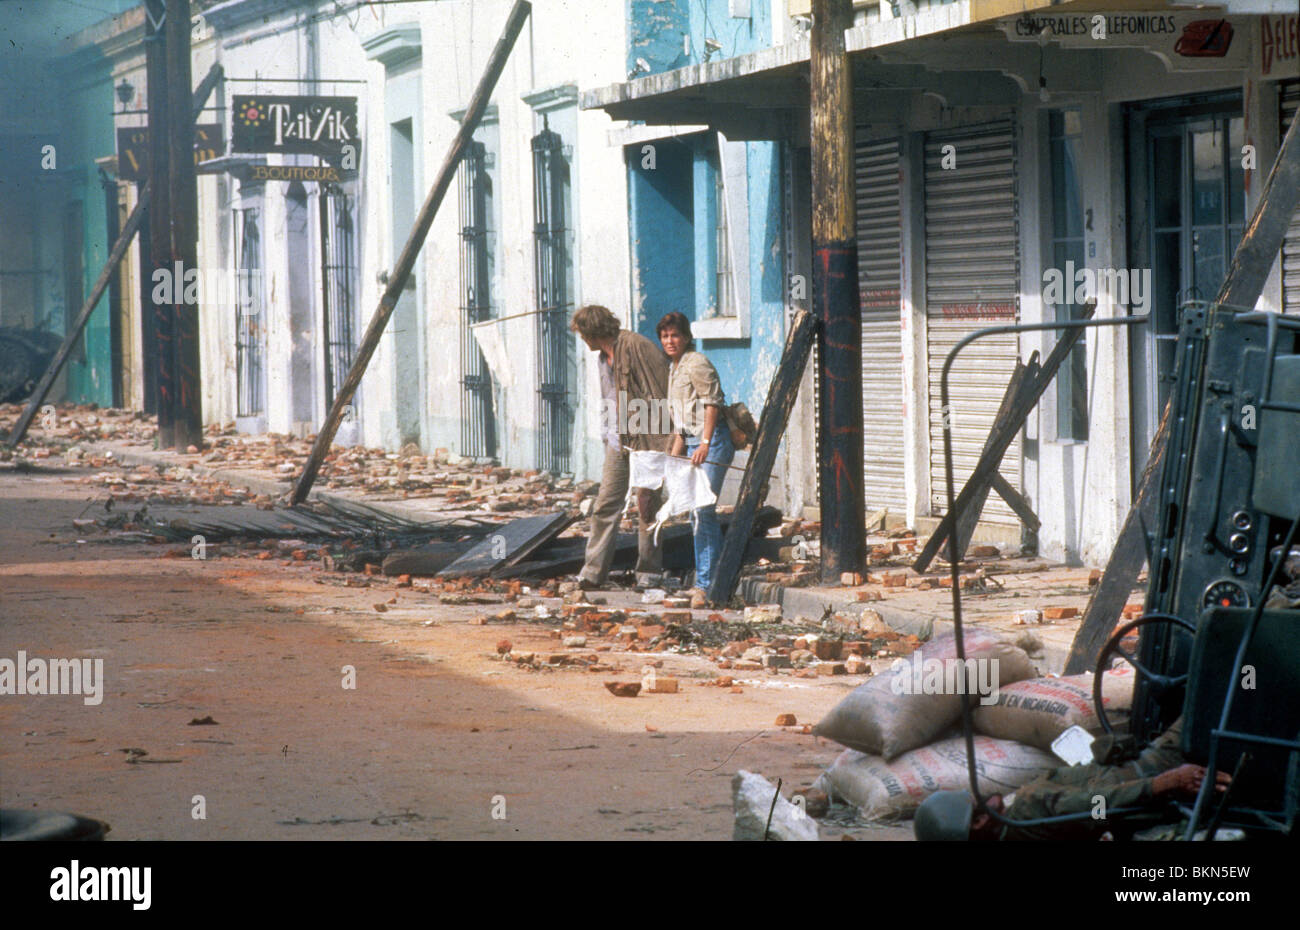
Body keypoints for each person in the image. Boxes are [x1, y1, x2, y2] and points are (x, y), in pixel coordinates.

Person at [913, 717, 1233, 841]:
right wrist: (1166, 782)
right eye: (974, 802)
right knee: (1222, 660)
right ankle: (1280, 600)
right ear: (980, 821)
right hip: (1154, 768)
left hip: (1140, 776)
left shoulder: (1016, 826)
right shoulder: (1028, 809)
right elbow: (1095, 807)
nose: (981, 796)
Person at [570, 304, 674, 591]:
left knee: (647, 504)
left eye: (583, 334)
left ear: (593, 331)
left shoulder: (637, 346)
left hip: (648, 438)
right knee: (606, 504)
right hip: (619, 441)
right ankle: (593, 572)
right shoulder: (603, 358)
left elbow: (664, 389)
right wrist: (608, 438)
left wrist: (668, 439)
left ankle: (649, 572)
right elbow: (608, 400)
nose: (583, 340)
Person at [656, 312, 735, 608]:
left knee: (704, 511)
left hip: (711, 442)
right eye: (665, 336)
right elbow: (681, 418)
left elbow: (713, 403)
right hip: (691, 442)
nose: (670, 341)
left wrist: (703, 443)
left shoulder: (697, 362)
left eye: (675, 335)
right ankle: (706, 579)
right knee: (695, 514)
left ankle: (709, 583)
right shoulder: (674, 368)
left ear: (686, 337)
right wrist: (675, 453)